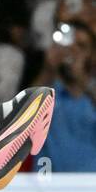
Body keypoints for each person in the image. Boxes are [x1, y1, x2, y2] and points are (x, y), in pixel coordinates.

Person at [33, 20, 96, 171]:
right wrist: (48, 69)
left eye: (81, 46)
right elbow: (19, 119)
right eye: (69, 43)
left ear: (92, 55)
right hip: (49, 187)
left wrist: (82, 80)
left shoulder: (92, 91)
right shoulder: (48, 88)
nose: (73, 50)